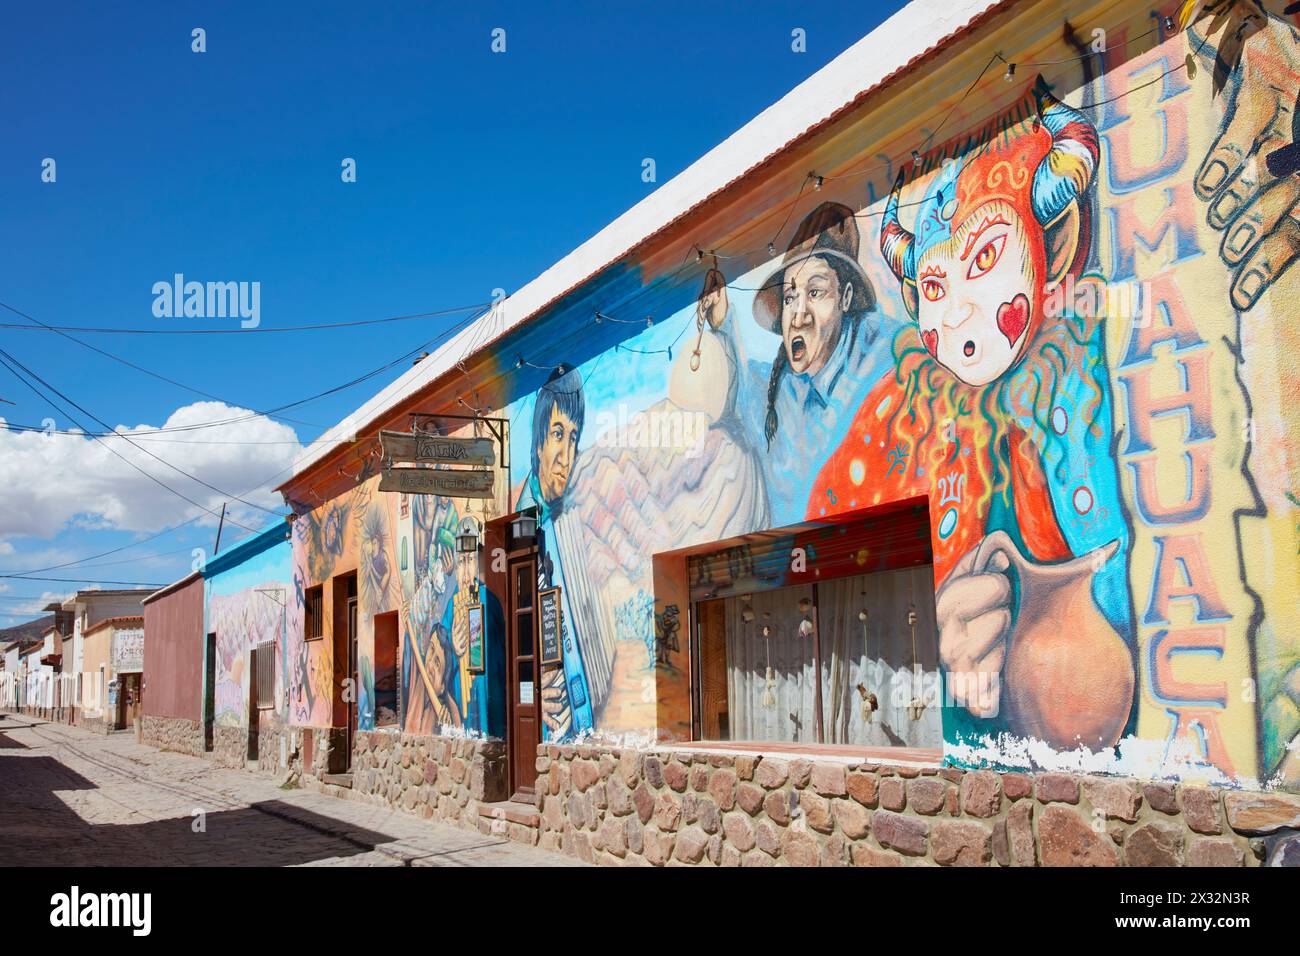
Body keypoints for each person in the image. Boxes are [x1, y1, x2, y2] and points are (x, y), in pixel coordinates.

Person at [811, 77, 1136, 753]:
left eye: (985, 258)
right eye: (934, 285)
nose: (955, 312)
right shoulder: (901, 413)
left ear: (1051, 254)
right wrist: (925, 629)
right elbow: (825, 569)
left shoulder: (1077, 384)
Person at [706, 202, 903, 525]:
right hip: (794, 567)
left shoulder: (886, 355)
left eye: (815, 292)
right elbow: (741, 386)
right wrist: (722, 322)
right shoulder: (778, 392)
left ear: (846, 297)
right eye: (789, 298)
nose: (798, 315)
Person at [514, 365, 595, 739]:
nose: (566, 454)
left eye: (573, 437)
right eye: (557, 433)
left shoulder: (572, 517)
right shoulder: (524, 524)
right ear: (537, 443)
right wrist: (533, 683)